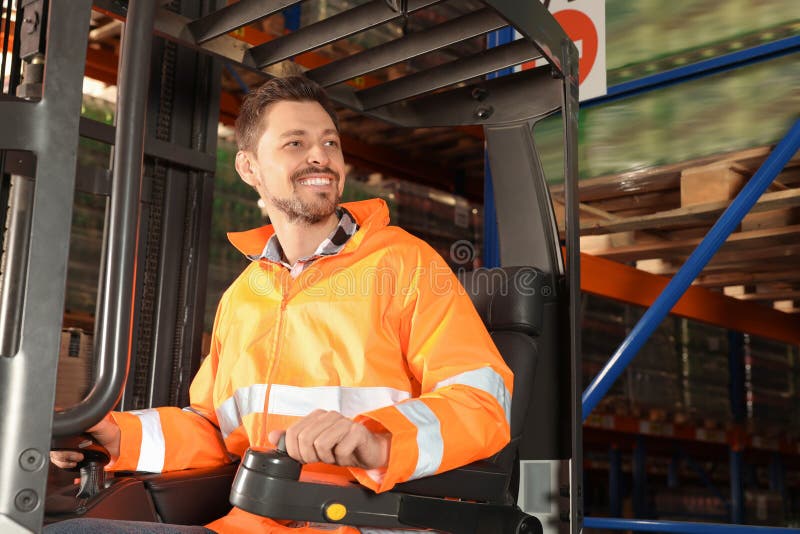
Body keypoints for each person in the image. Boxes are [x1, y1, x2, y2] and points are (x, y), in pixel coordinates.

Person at [47, 76, 513, 534]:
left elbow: (482, 403)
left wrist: (377, 439)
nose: (320, 156)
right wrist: (119, 436)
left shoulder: (406, 263)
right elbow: (217, 430)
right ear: (249, 168)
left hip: (356, 523)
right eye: (295, 143)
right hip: (249, 524)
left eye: (330, 142)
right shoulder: (244, 295)